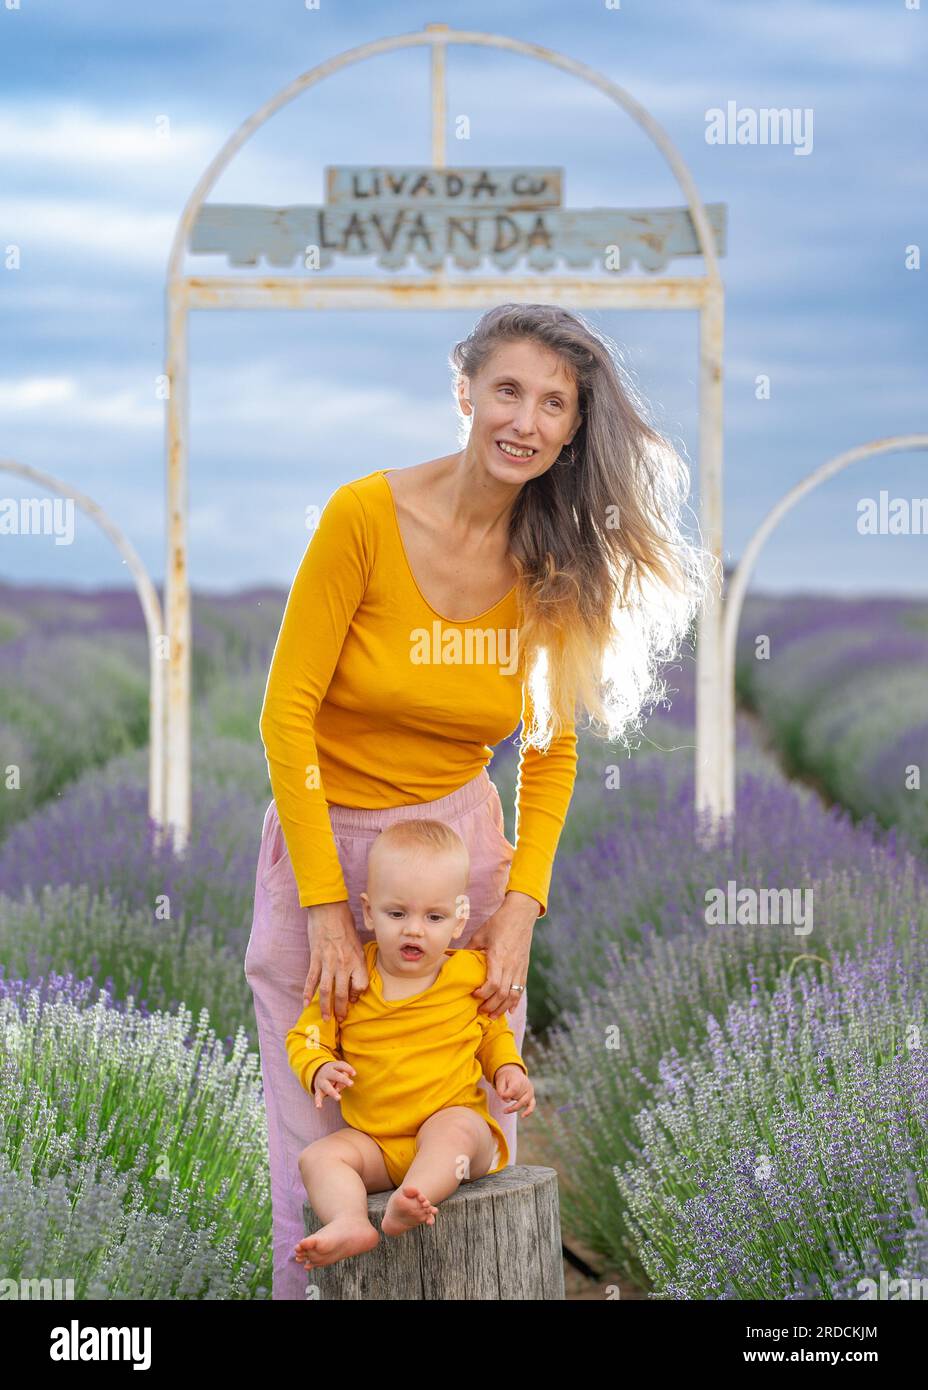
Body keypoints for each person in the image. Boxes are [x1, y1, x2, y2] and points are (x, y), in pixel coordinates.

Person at [245, 302, 717, 1299]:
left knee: (465, 1127)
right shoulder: (362, 516)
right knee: (314, 1131)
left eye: (555, 404)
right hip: (326, 842)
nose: (527, 420)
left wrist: (518, 913)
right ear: (465, 391)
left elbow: (548, 751)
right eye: (509, 390)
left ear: (571, 430)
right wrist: (326, 906)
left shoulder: (553, 558)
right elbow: (286, 715)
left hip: (459, 856)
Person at [286, 817, 536, 1271]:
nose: (414, 930)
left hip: (451, 1126)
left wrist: (508, 1070)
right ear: (367, 912)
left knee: (455, 1131)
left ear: (459, 919)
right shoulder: (353, 977)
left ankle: (413, 1194)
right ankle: (349, 1220)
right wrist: (318, 1066)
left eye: (434, 917)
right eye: (396, 914)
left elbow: (492, 1034)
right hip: (375, 1144)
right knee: (318, 1157)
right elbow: (306, 1035)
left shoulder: (469, 975)